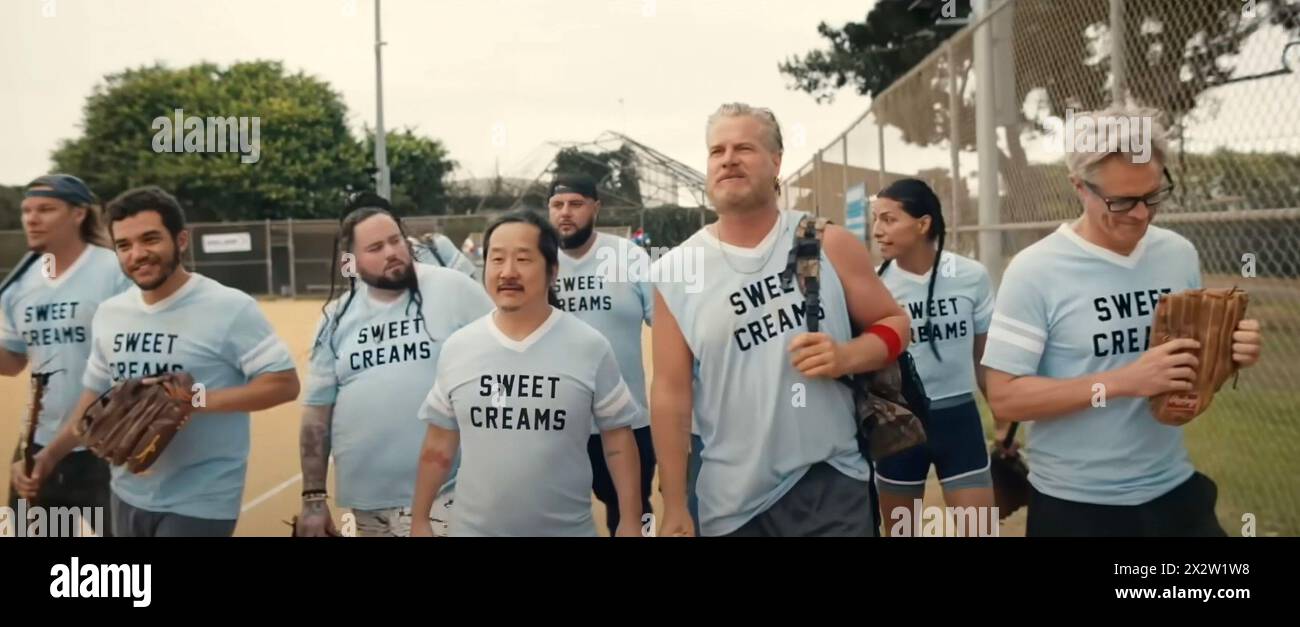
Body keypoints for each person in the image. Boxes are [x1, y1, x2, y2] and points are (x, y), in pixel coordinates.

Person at [981, 104, 1264, 537]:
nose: (1141, 214)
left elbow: (1183, 378)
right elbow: (1006, 399)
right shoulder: (1034, 270)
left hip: (1174, 490)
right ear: (1079, 187)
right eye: (1122, 201)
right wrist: (1123, 382)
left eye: (1153, 195)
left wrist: (1225, 356)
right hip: (1076, 505)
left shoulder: (1177, 253)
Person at [650, 103, 912, 537]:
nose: (728, 158)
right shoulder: (677, 271)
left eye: (744, 148)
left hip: (829, 480)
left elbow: (895, 324)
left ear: (776, 161)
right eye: (717, 151)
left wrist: (847, 355)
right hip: (732, 500)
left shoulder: (827, 242)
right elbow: (670, 394)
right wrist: (675, 503)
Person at [16, 186, 300, 537]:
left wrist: (195, 400)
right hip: (125, 491)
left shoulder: (229, 307)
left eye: (150, 239)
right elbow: (91, 399)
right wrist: (49, 457)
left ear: (180, 240)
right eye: (124, 245)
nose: (138, 254)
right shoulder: (110, 313)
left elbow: (284, 383)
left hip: (201, 497)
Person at [410, 211, 645, 537]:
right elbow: (439, 445)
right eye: (497, 259)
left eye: (523, 259)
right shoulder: (459, 348)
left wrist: (631, 521)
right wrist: (420, 519)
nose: (508, 272)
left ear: (553, 270)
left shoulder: (589, 347)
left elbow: (618, 441)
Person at [296, 193, 492, 537]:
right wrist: (313, 498)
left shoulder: (454, 289)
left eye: (395, 240)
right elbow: (316, 414)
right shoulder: (335, 318)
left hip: (447, 494)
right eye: (375, 249)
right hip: (368, 504)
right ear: (352, 261)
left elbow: (507, 356)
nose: (391, 253)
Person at [4, 174, 131, 536]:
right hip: (37, 444)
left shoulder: (115, 271)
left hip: (106, 446)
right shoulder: (19, 285)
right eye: (27, 210)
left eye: (45, 209)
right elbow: (14, 361)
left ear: (78, 214)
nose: (31, 218)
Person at [871, 178, 997, 535]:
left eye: (889, 219)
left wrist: (1002, 420)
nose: (878, 231)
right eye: (875, 220)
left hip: (959, 420)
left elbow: (984, 357)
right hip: (898, 426)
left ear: (923, 223)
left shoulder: (971, 276)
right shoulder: (872, 284)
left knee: (980, 530)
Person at [546, 173, 656, 534]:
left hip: (627, 418)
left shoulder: (628, 256)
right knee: (556, 515)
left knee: (632, 511)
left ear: (596, 207)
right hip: (557, 423)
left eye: (576, 204)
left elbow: (668, 329)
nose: (566, 213)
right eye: (557, 205)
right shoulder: (536, 259)